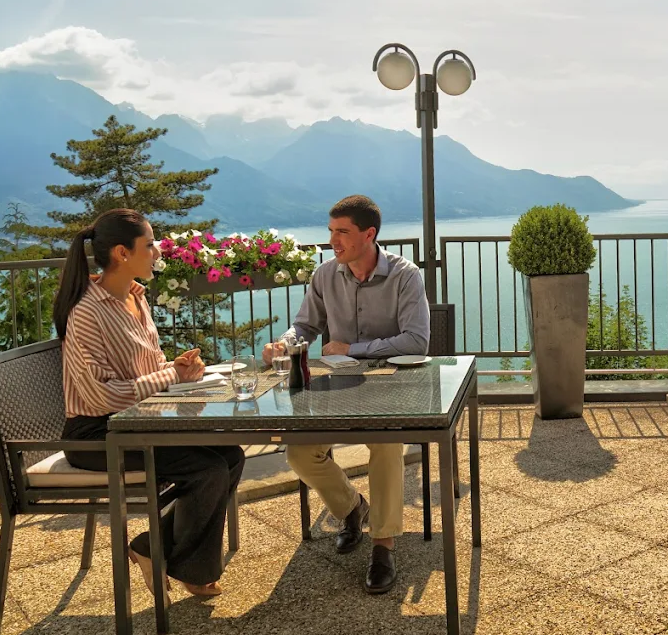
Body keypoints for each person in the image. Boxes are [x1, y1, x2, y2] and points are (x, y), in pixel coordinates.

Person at [55, 208, 245, 598]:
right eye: (150, 245)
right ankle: (189, 567)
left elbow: (150, 367)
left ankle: (151, 546)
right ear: (123, 254)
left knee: (230, 455)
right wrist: (171, 375)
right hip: (97, 434)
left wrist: (180, 370)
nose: (158, 252)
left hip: (137, 422)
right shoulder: (87, 312)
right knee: (207, 469)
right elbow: (100, 395)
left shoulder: (135, 298)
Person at [263, 195, 429, 595]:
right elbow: (304, 326)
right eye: (331, 232)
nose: (333, 240)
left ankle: (383, 545)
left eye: (342, 232)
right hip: (336, 391)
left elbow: (417, 341)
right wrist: (283, 344)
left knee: (387, 447)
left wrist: (351, 349)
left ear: (368, 234)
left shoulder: (406, 276)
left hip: (390, 388)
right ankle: (352, 508)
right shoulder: (325, 276)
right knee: (300, 452)